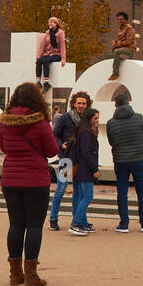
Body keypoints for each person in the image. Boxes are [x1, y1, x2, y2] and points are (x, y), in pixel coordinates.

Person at [0, 82, 58, 286]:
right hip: (35, 180)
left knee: (15, 224)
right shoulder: (40, 123)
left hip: (10, 178)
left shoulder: (4, 122)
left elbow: (4, 147)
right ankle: (31, 276)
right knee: (34, 226)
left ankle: (15, 274)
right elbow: (51, 151)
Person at [106, 89, 143, 232]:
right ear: (128, 102)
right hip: (139, 158)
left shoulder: (111, 123)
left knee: (122, 192)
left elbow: (112, 142)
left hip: (120, 160)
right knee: (142, 191)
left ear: (116, 105)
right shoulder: (139, 117)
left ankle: (124, 224)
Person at [48, 91, 90, 230]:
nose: (81, 105)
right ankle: (53, 219)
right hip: (67, 159)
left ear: (87, 104)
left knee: (78, 192)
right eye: (79, 103)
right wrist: (61, 145)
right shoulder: (65, 118)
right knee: (61, 189)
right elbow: (54, 134)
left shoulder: (88, 119)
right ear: (73, 103)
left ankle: (76, 220)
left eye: (84, 103)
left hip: (81, 161)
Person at [68, 108, 101, 236]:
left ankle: (81, 223)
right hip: (85, 170)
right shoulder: (86, 133)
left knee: (82, 196)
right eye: (95, 118)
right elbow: (86, 153)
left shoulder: (83, 131)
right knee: (87, 197)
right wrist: (95, 169)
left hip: (82, 169)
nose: (97, 121)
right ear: (89, 119)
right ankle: (76, 223)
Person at [35, 17, 66, 90]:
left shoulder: (60, 33)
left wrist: (63, 59)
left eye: (52, 22)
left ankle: (46, 83)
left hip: (56, 54)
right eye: (49, 22)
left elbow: (62, 46)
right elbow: (43, 45)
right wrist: (38, 56)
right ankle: (38, 82)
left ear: (56, 24)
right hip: (47, 54)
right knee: (39, 61)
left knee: (46, 61)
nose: (50, 23)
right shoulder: (47, 32)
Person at [108, 12, 137, 80]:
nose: (119, 21)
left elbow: (129, 42)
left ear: (126, 20)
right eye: (118, 19)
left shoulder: (130, 29)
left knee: (117, 52)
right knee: (106, 54)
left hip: (129, 50)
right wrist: (114, 42)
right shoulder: (120, 29)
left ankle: (115, 73)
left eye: (121, 19)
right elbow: (118, 40)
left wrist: (117, 45)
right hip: (122, 50)